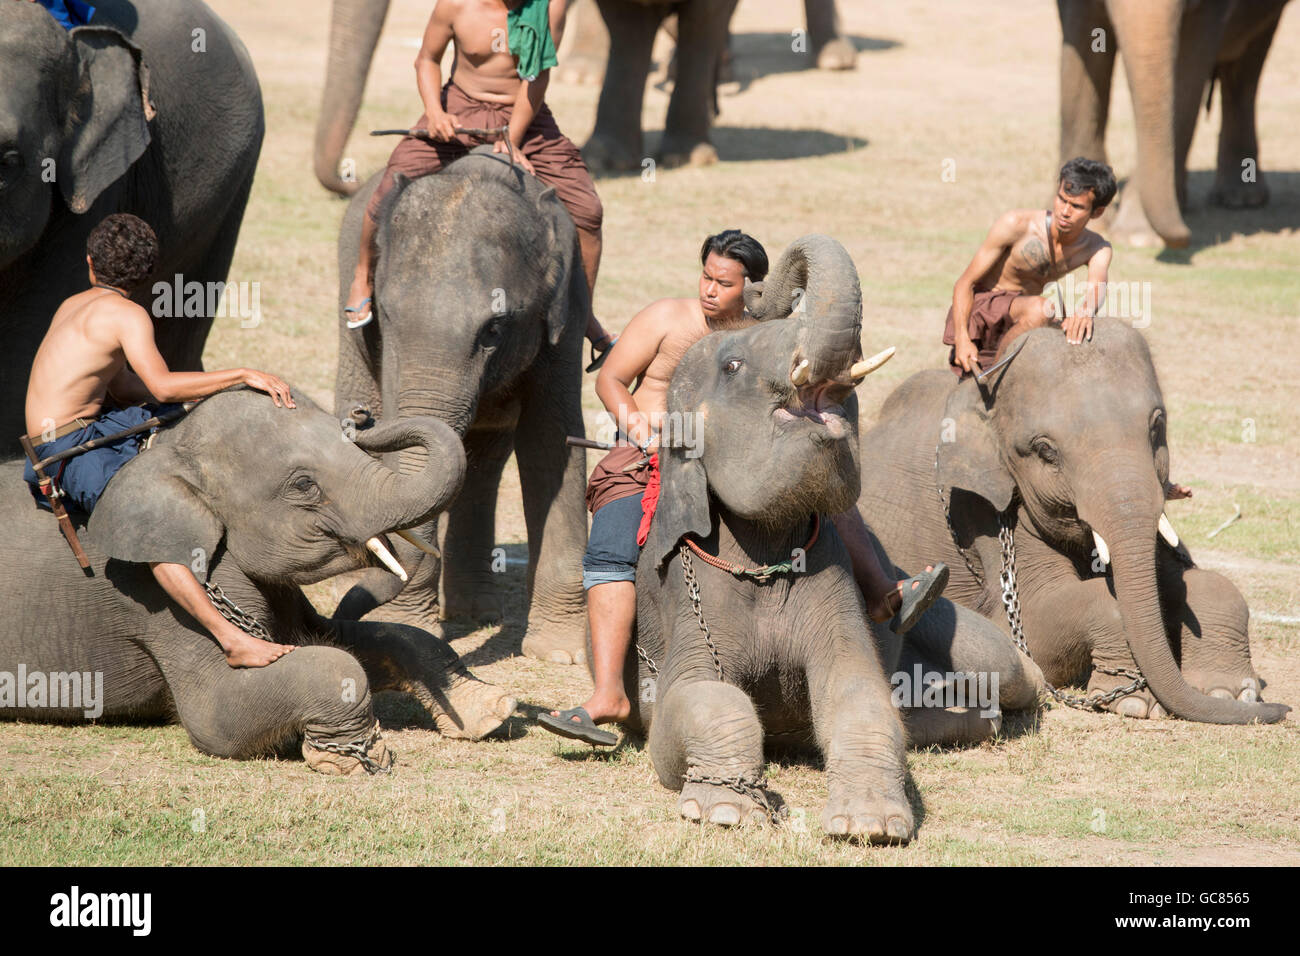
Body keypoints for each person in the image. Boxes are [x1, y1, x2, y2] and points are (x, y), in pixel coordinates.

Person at [538, 230, 947, 746]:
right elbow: (610, 379)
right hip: (653, 456)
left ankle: (882, 593)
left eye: (723, 282)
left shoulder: (760, 334)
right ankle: (607, 694)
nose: (710, 290)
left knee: (824, 493)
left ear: (752, 289)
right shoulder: (667, 319)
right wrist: (639, 427)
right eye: (706, 277)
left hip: (739, 459)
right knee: (610, 552)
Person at [22, 213, 298, 668]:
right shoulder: (129, 315)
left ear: (91, 264)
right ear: (147, 274)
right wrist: (241, 373)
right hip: (66, 451)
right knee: (151, 519)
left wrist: (208, 394)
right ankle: (231, 640)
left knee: (181, 418)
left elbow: (127, 389)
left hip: (78, 431)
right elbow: (163, 385)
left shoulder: (72, 302)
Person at [343, 0, 617, 370]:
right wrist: (436, 113)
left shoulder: (548, 9)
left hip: (525, 115)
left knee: (588, 211)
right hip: (459, 107)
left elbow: (536, 78)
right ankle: (362, 277)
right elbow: (426, 59)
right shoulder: (455, 4)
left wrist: (512, 138)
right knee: (392, 182)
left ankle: (584, 313)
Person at [945, 157, 1117, 377]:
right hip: (983, 313)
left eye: (1076, 206)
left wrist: (1085, 310)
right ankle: (992, 381)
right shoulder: (1015, 224)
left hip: (1022, 319)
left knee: (1068, 327)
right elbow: (964, 284)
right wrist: (961, 338)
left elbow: (1097, 286)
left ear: (1097, 212)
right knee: (1043, 309)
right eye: (1061, 199)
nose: (1065, 211)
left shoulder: (1097, 248)